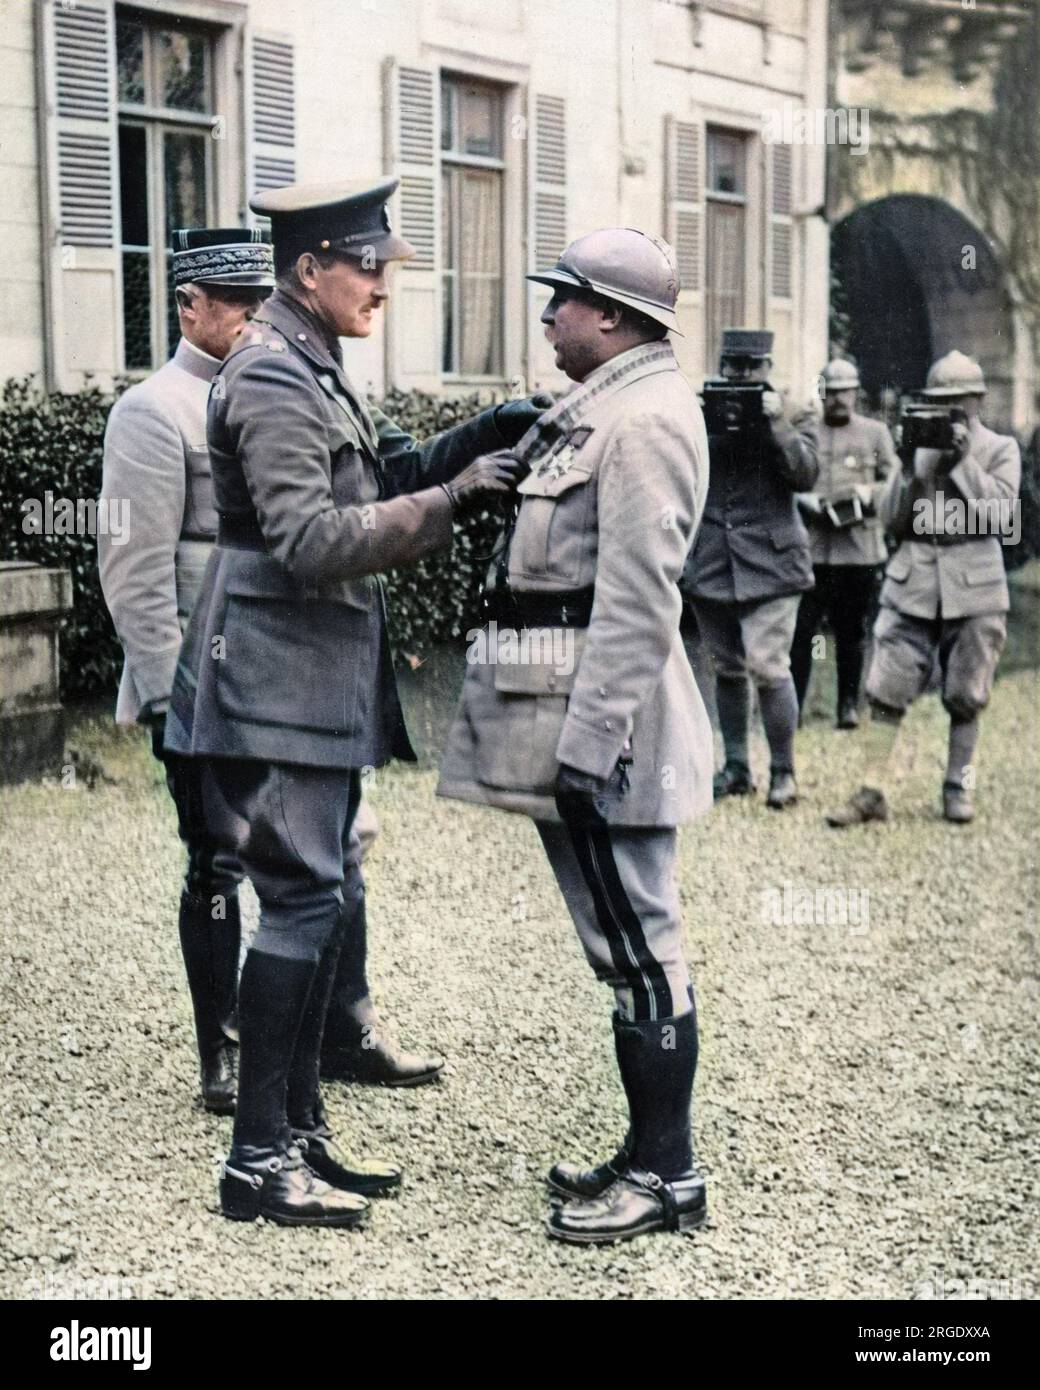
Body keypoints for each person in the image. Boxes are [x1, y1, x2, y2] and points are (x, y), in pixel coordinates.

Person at [165, 178, 547, 1227]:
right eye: (366, 264)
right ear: (308, 268)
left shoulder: (310, 361)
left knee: (317, 892)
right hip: (274, 674)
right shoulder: (274, 375)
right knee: (296, 900)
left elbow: (373, 484)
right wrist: (458, 498)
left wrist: (478, 437)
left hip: (304, 674)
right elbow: (310, 540)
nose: (382, 283)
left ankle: (296, 1137)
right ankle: (256, 1161)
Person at [438, 228, 714, 1243]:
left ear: (608, 315)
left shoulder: (641, 422)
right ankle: (648, 1155)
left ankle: (666, 1176)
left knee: (642, 949)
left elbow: (639, 601)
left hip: (610, 725)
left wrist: (590, 746)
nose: (548, 315)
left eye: (561, 299)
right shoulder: (604, 409)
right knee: (626, 948)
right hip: (580, 712)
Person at [99, 228, 274, 1115]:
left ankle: (337, 1027)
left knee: (317, 855)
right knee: (217, 864)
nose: (250, 317)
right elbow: (133, 572)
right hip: (202, 688)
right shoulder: (154, 409)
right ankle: (223, 1054)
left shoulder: (271, 394)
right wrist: (174, 698)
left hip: (278, 677)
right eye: (232, 301)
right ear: (188, 305)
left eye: (258, 301)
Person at [826, 351, 1020, 827]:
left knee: (967, 693)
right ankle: (872, 791)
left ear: (977, 401)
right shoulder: (919, 447)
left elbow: (1002, 517)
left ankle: (958, 787)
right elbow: (891, 518)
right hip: (913, 581)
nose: (951, 411)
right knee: (885, 688)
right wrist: (911, 469)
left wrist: (960, 462)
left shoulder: (999, 449)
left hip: (974, 582)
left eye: (960, 402)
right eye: (941, 402)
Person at [680, 329, 818, 809]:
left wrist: (775, 423)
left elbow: (806, 474)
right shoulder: (702, 411)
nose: (739, 376)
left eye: (750, 367)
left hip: (772, 562)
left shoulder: (796, 411)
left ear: (767, 368)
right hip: (713, 559)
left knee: (768, 665)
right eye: (731, 366)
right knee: (726, 668)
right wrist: (699, 419)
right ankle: (736, 766)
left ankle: (783, 771)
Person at [790, 358, 898, 728]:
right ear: (822, 393)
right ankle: (795, 709)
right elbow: (789, 480)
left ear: (856, 393)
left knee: (851, 632)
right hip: (812, 549)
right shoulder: (806, 433)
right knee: (802, 633)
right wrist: (805, 501)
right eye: (831, 391)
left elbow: (895, 484)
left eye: (845, 391)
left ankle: (848, 706)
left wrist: (868, 493)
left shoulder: (876, 433)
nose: (838, 398)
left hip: (858, 551)